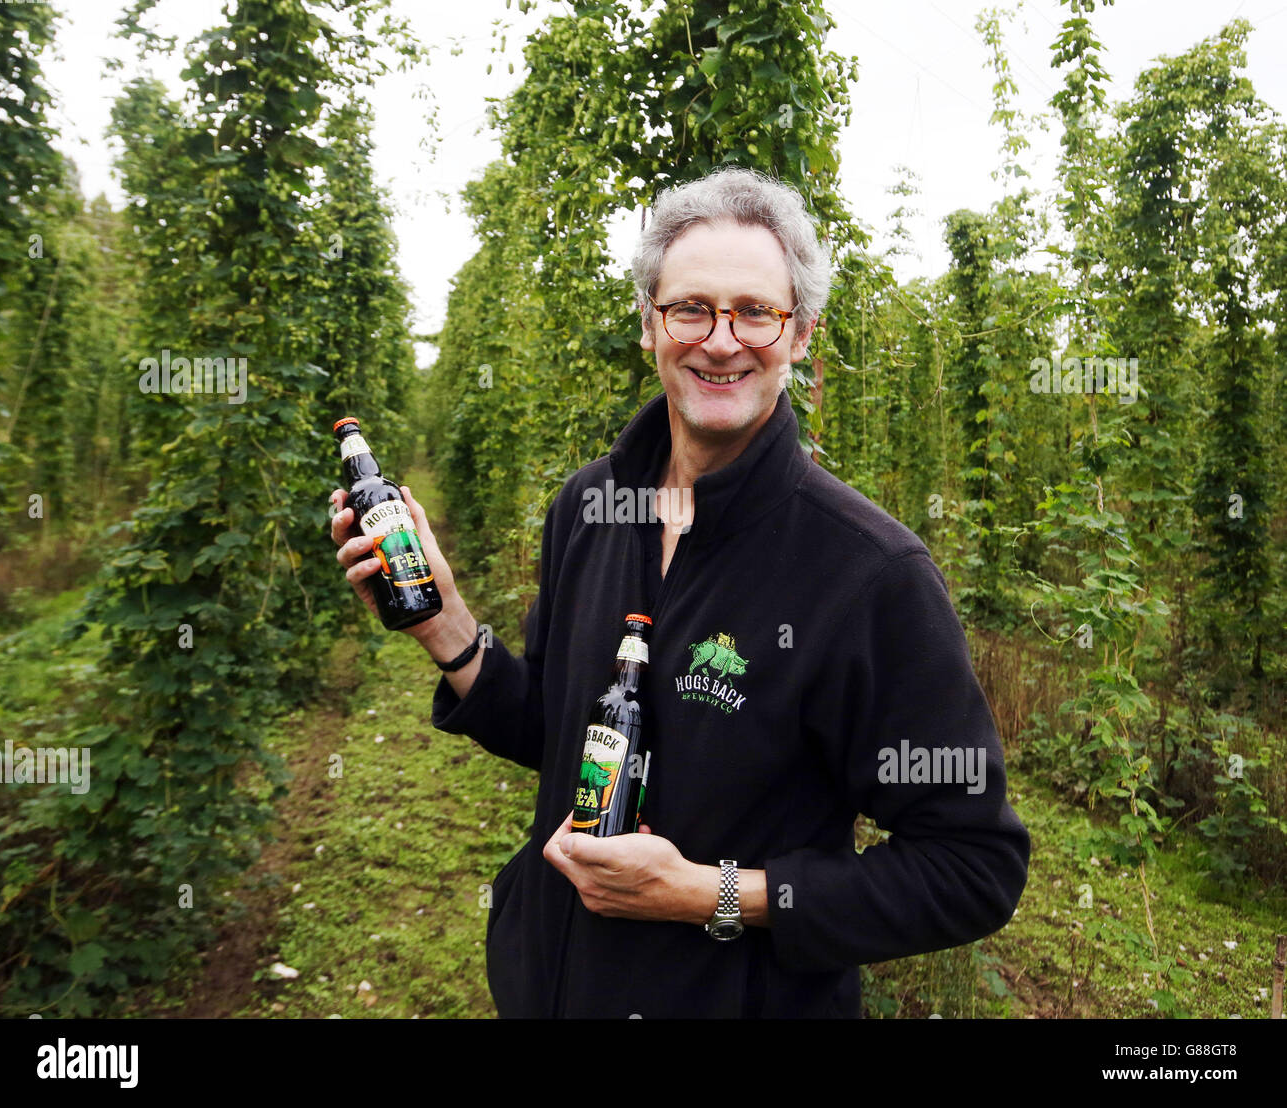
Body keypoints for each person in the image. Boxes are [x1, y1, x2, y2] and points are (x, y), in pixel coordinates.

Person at [329, 166, 1030, 1018]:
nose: (721, 340)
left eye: (755, 312)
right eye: (690, 308)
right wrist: (446, 625)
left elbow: (972, 867)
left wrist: (714, 894)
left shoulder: (869, 575)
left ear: (800, 333)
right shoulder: (591, 507)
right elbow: (564, 736)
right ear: (649, 324)